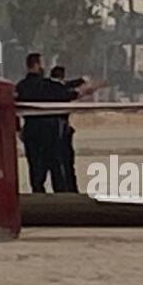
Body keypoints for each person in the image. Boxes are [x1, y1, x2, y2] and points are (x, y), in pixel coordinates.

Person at [48, 65, 102, 193]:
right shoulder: (58, 89)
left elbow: (67, 84)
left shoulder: (48, 85)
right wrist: (86, 90)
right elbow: (70, 93)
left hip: (51, 130)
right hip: (59, 129)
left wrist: (81, 80)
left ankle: (62, 187)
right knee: (65, 161)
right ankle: (69, 188)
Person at [14, 54, 56, 193]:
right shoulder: (46, 85)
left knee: (34, 163)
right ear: (37, 65)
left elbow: (13, 108)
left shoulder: (20, 86)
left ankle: (37, 190)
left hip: (30, 129)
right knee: (48, 161)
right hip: (47, 129)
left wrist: (18, 128)